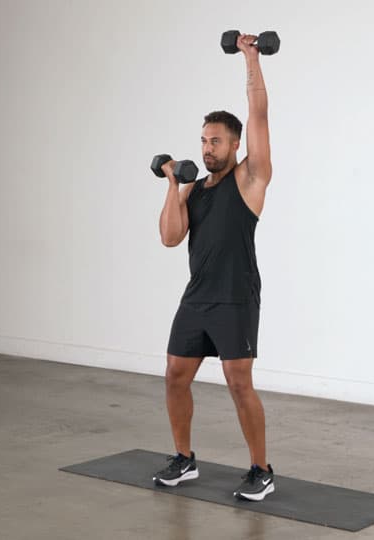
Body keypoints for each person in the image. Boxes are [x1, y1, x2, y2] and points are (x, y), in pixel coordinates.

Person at [151, 33, 274, 501]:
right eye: (203, 140)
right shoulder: (194, 189)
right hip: (198, 298)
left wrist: (250, 57)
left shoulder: (250, 177)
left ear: (235, 143)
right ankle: (184, 459)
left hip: (236, 297)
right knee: (174, 375)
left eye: (216, 141)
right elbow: (169, 237)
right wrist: (172, 184)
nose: (207, 148)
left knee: (238, 383)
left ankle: (261, 469)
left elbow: (259, 113)